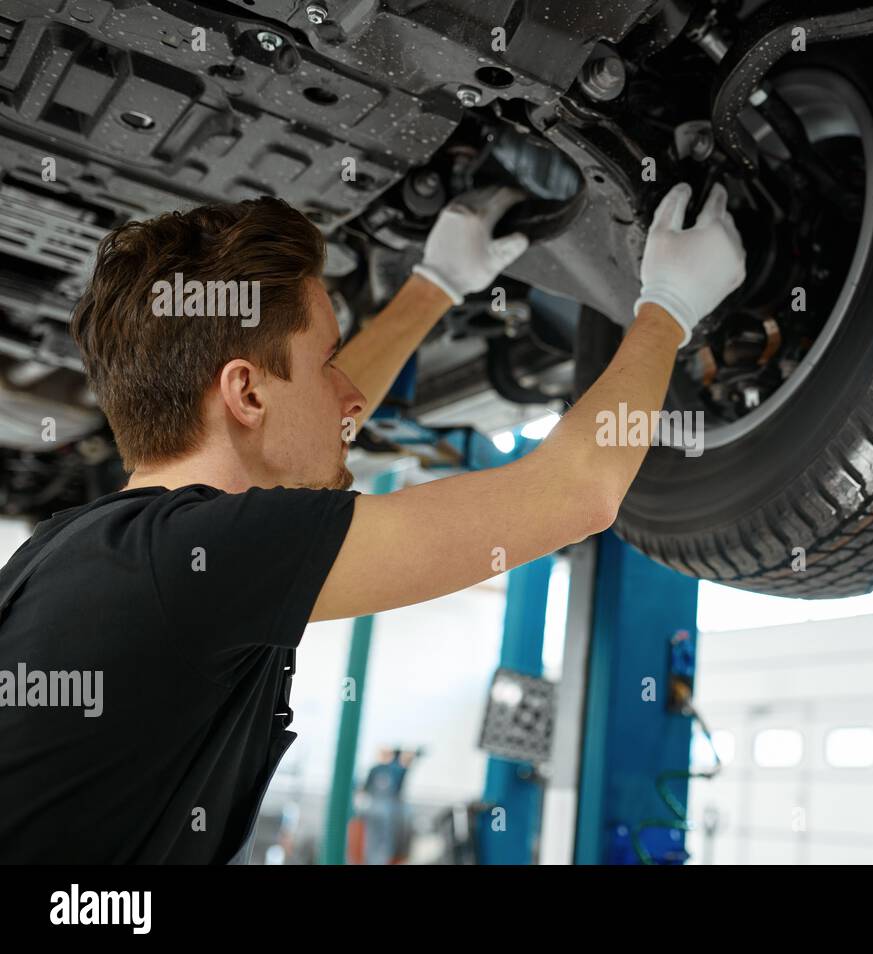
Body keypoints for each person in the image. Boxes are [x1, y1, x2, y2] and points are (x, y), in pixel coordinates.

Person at [0, 180, 745, 863]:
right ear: (245, 394)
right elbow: (575, 493)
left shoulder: (92, 551)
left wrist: (437, 286)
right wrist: (668, 310)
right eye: (329, 360)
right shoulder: (196, 557)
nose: (353, 396)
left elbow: (317, 424)